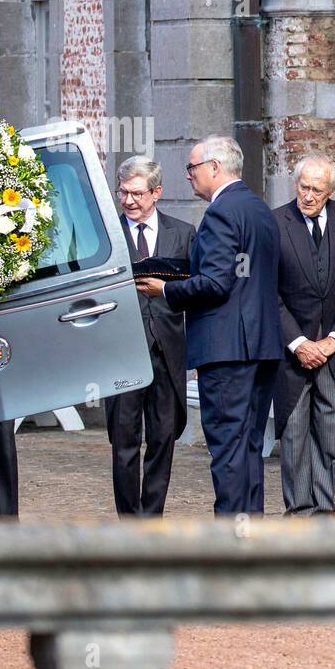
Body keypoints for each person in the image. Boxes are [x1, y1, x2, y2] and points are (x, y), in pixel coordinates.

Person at [137, 136, 282, 515]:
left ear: (215, 167)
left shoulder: (221, 213)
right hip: (260, 346)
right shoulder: (258, 209)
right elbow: (245, 275)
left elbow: (217, 283)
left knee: (228, 449)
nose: (188, 176)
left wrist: (165, 288)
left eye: (192, 168)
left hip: (226, 350)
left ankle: (231, 540)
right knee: (248, 445)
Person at [272, 154, 335, 516]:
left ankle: (325, 511)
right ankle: (298, 512)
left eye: (316, 189)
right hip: (292, 353)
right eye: (303, 186)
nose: (308, 195)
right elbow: (269, 292)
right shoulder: (275, 222)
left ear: (331, 191)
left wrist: (333, 341)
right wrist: (299, 344)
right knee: (294, 434)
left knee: (330, 434)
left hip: (334, 353)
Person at [106, 156, 195, 517]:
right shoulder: (107, 233)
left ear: (157, 193)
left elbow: (197, 292)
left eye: (137, 193)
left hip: (167, 351)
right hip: (122, 352)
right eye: (123, 192)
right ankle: (129, 521)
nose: (128, 201)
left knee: (163, 438)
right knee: (124, 440)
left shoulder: (183, 233)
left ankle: (152, 517)